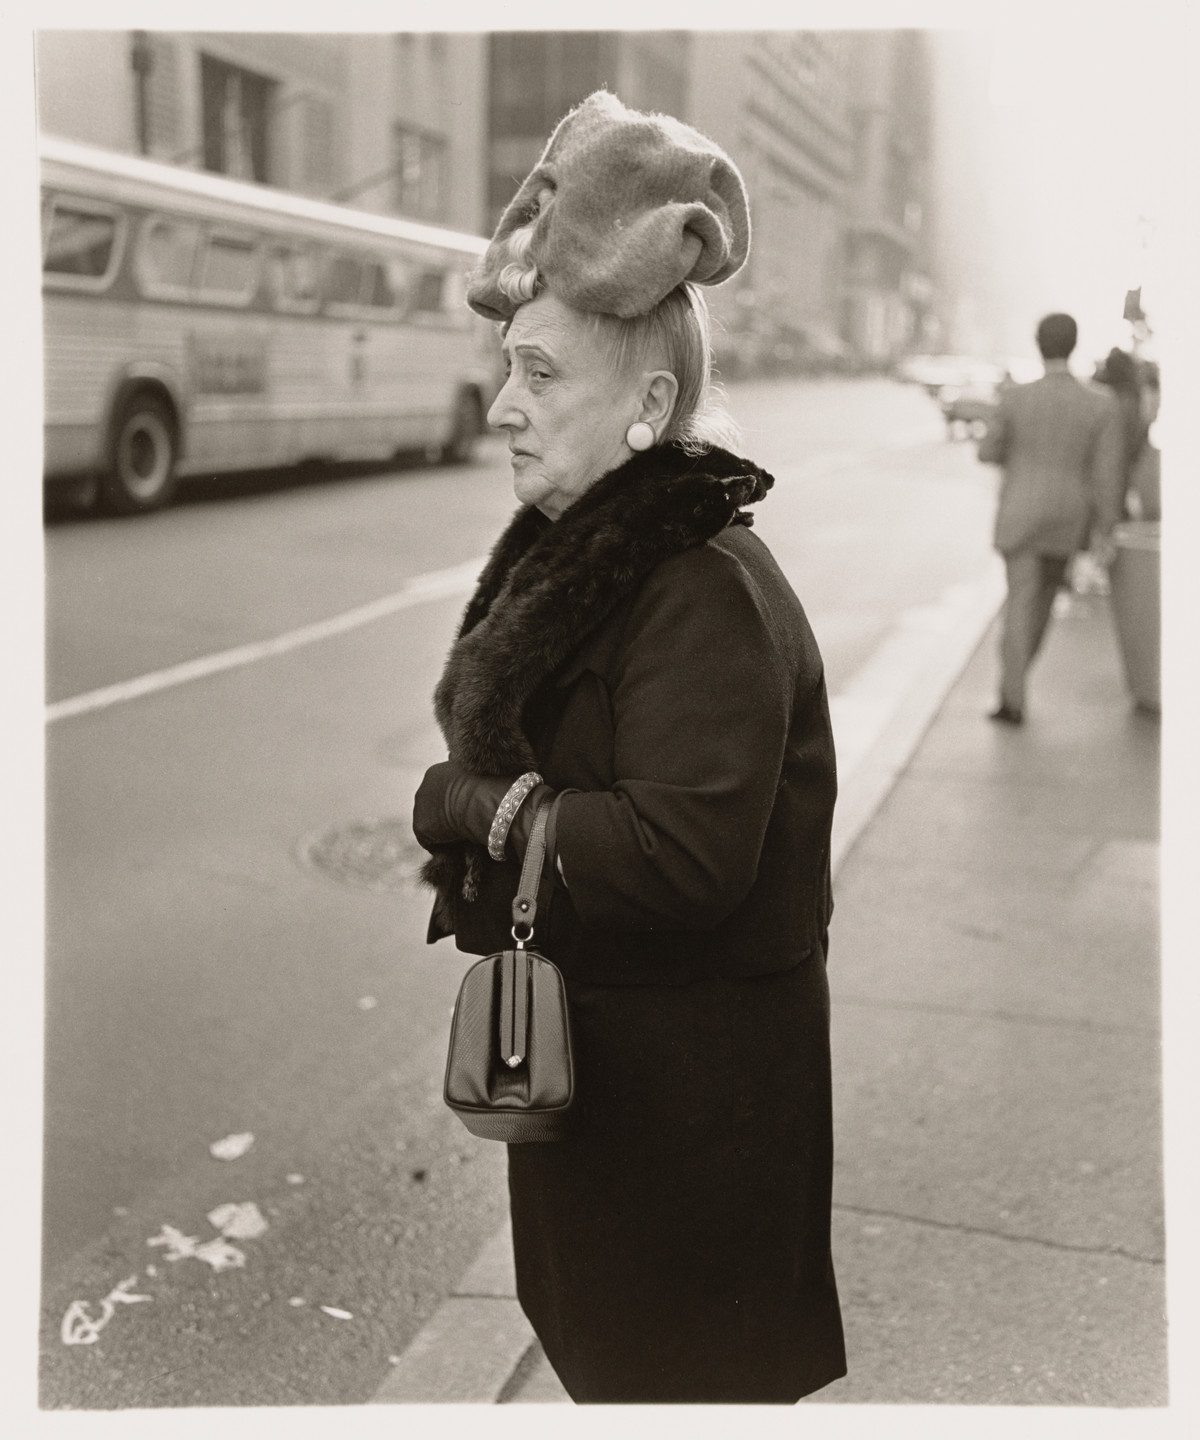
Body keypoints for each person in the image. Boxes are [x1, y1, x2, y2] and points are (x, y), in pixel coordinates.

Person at [411, 90, 845, 1404]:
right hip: (611, 1107)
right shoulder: (611, 560)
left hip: (692, 1142)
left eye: (541, 374)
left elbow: (683, 855)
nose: (503, 406)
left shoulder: (701, 582)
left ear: (649, 403)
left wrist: (480, 807)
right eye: (508, 370)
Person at [977, 312, 1123, 724]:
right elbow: (1107, 475)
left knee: (1021, 606)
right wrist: (1106, 529)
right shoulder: (1100, 404)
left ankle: (1012, 699)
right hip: (1068, 520)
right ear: (1072, 344)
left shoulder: (1015, 397)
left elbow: (987, 451)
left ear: (1039, 343)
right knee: (1040, 607)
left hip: (1020, 515)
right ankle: (1017, 683)